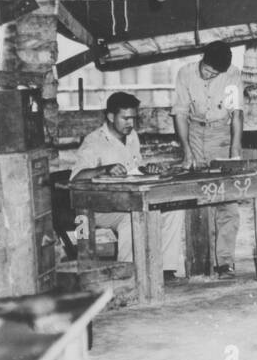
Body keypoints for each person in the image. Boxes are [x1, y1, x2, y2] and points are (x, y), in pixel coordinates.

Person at [71, 92, 185, 281]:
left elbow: (134, 168)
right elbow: (76, 179)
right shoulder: (94, 142)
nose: (130, 123)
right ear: (110, 116)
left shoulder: (132, 137)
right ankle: (128, 276)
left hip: (129, 200)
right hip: (100, 208)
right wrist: (103, 169)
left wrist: (147, 169)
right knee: (132, 217)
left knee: (174, 211)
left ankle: (166, 271)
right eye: (125, 118)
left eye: (133, 118)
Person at [172, 41, 244, 277]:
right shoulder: (185, 73)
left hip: (220, 134)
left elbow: (236, 113)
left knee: (227, 199)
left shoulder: (232, 74)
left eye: (216, 74)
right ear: (202, 58)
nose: (210, 76)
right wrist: (187, 151)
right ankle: (199, 261)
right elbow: (181, 113)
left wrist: (235, 149)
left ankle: (224, 262)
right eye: (208, 71)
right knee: (197, 197)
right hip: (194, 132)